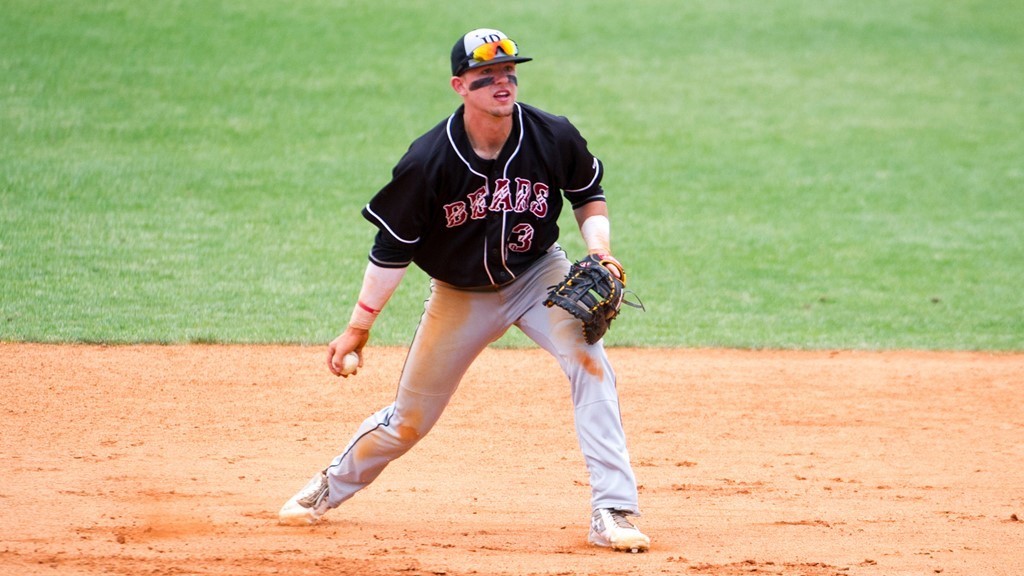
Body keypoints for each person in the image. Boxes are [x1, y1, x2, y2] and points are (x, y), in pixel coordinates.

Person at [278, 27, 650, 553]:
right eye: (487, 77)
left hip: (539, 276)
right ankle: (328, 487)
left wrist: (599, 249)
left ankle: (612, 509)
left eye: (509, 74)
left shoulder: (552, 134)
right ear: (460, 86)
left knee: (592, 367)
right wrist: (358, 328)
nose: (503, 84)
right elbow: (391, 251)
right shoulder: (429, 160)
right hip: (459, 294)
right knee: (410, 419)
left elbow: (587, 192)